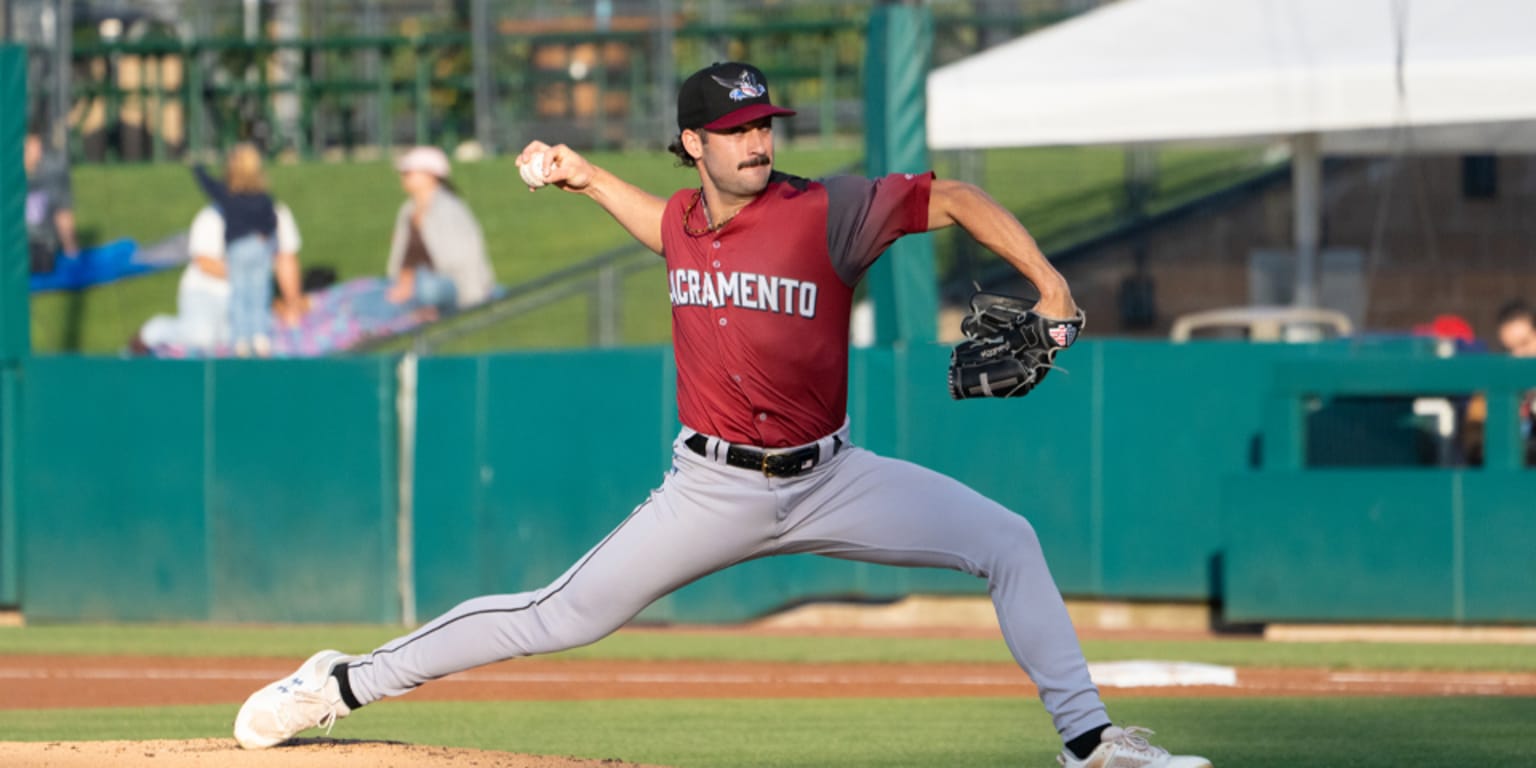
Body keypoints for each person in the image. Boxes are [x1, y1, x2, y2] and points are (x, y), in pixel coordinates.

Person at [232, 63, 1210, 768]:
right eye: (737, 128)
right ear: (695, 142)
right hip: (712, 487)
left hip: (835, 477)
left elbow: (950, 195)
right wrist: (580, 177)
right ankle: (341, 682)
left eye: (765, 124)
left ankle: (1090, 745)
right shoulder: (683, 222)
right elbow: (659, 223)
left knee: (1008, 539)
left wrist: (1047, 280)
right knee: (560, 616)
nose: (758, 141)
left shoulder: (827, 209)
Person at [136, 194, 306, 354]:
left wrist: (292, 304)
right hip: (205, 290)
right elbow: (205, 262)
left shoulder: (277, 214)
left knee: (250, 341)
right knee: (201, 338)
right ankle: (153, 332)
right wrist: (249, 274)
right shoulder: (213, 215)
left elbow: (286, 259)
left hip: (251, 295)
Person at [368, 146, 495, 320]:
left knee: (428, 289)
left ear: (430, 175)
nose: (403, 177)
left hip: (447, 282)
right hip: (415, 282)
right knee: (373, 290)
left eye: (409, 172)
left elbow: (464, 260)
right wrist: (404, 279)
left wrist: (475, 296)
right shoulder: (407, 210)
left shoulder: (449, 208)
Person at [191, 143, 281, 357]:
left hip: (238, 248)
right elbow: (272, 222)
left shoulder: (229, 195)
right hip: (259, 248)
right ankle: (260, 337)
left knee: (239, 293)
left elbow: (208, 185)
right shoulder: (263, 198)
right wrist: (263, 235)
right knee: (259, 293)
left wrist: (197, 167)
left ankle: (240, 340)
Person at [24, 130, 81, 275]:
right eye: (31, 146)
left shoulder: (51, 177)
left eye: (38, 146)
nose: (38, 151)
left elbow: (62, 216)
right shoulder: (9, 179)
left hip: (40, 245)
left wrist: (72, 252)